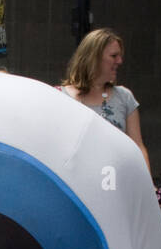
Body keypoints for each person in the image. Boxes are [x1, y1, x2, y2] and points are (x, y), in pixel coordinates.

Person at [59, 27, 151, 174]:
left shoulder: (124, 97)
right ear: (93, 58)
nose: (120, 61)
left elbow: (138, 146)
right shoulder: (61, 97)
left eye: (120, 56)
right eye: (114, 56)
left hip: (113, 181)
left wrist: (148, 186)